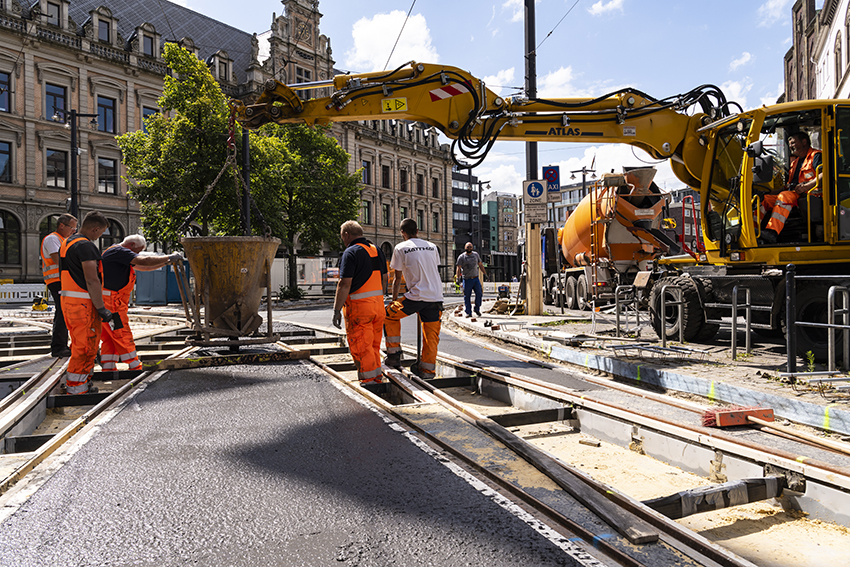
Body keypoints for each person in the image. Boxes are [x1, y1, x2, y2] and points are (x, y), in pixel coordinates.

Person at [100, 235, 178, 373]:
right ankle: (134, 365)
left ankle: (108, 366)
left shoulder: (117, 253)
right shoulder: (119, 251)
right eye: (138, 250)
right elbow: (145, 261)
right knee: (121, 332)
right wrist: (170, 257)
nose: (138, 254)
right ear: (130, 245)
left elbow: (144, 267)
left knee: (110, 336)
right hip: (112, 302)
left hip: (112, 301)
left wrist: (166, 263)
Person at [59, 211, 114, 394]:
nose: (100, 236)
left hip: (70, 302)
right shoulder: (86, 246)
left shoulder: (68, 242)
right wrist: (101, 308)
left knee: (79, 343)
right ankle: (76, 388)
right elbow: (92, 279)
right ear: (95, 229)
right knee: (86, 345)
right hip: (84, 305)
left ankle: (82, 382)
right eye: (101, 233)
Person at [384, 218, 444, 378]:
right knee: (431, 336)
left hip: (415, 296)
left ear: (402, 232)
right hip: (436, 297)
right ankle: (427, 371)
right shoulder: (432, 247)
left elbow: (397, 279)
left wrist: (394, 300)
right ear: (417, 231)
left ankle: (394, 355)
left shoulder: (400, 248)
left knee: (388, 316)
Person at [332, 221, 388, 385]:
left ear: (346, 235)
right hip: (378, 307)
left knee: (361, 346)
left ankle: (369, 380)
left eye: (342, 236)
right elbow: (385, 278)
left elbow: (344, 284)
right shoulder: (376, 250)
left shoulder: (350, 252)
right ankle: (377, 376)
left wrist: (336, 310)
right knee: (373, 345)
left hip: (360, 309)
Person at [759, 131, 822, 244]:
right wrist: (768, 192)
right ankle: (755, 230)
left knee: (784, 196)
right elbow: (787, 186)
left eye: (793, 142)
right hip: (793, 194)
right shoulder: (795, 163)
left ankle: (772, 232)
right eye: (790, 144)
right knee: (764, 199)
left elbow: (824, 174)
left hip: (810, 194)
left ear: (804, 142)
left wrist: (806, 186)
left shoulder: (816, 156)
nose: (791, 146)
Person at [41, 213, 77, 357]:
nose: (74, 230)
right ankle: (58, 347)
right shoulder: (52, 239)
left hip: (63, 280)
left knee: (65, 312)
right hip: (57, 281)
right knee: (62, 312)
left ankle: (62, 345)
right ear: (61, 225)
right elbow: (59, 260)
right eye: (72, 227)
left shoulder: (63, 239)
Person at [455, 242, 486, 317]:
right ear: (465, 247)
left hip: (475, 278)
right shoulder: (461, 257)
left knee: (479, 293)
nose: (469, 248)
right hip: (467, 279)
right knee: (467, 296)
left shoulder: (476, 255)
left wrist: (485, 273)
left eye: (470, 247)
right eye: (468, 247)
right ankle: (468, 312)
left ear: (472, 247)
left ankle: (477, 309)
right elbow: (458, 268)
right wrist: (457, 278)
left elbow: (480, 265)